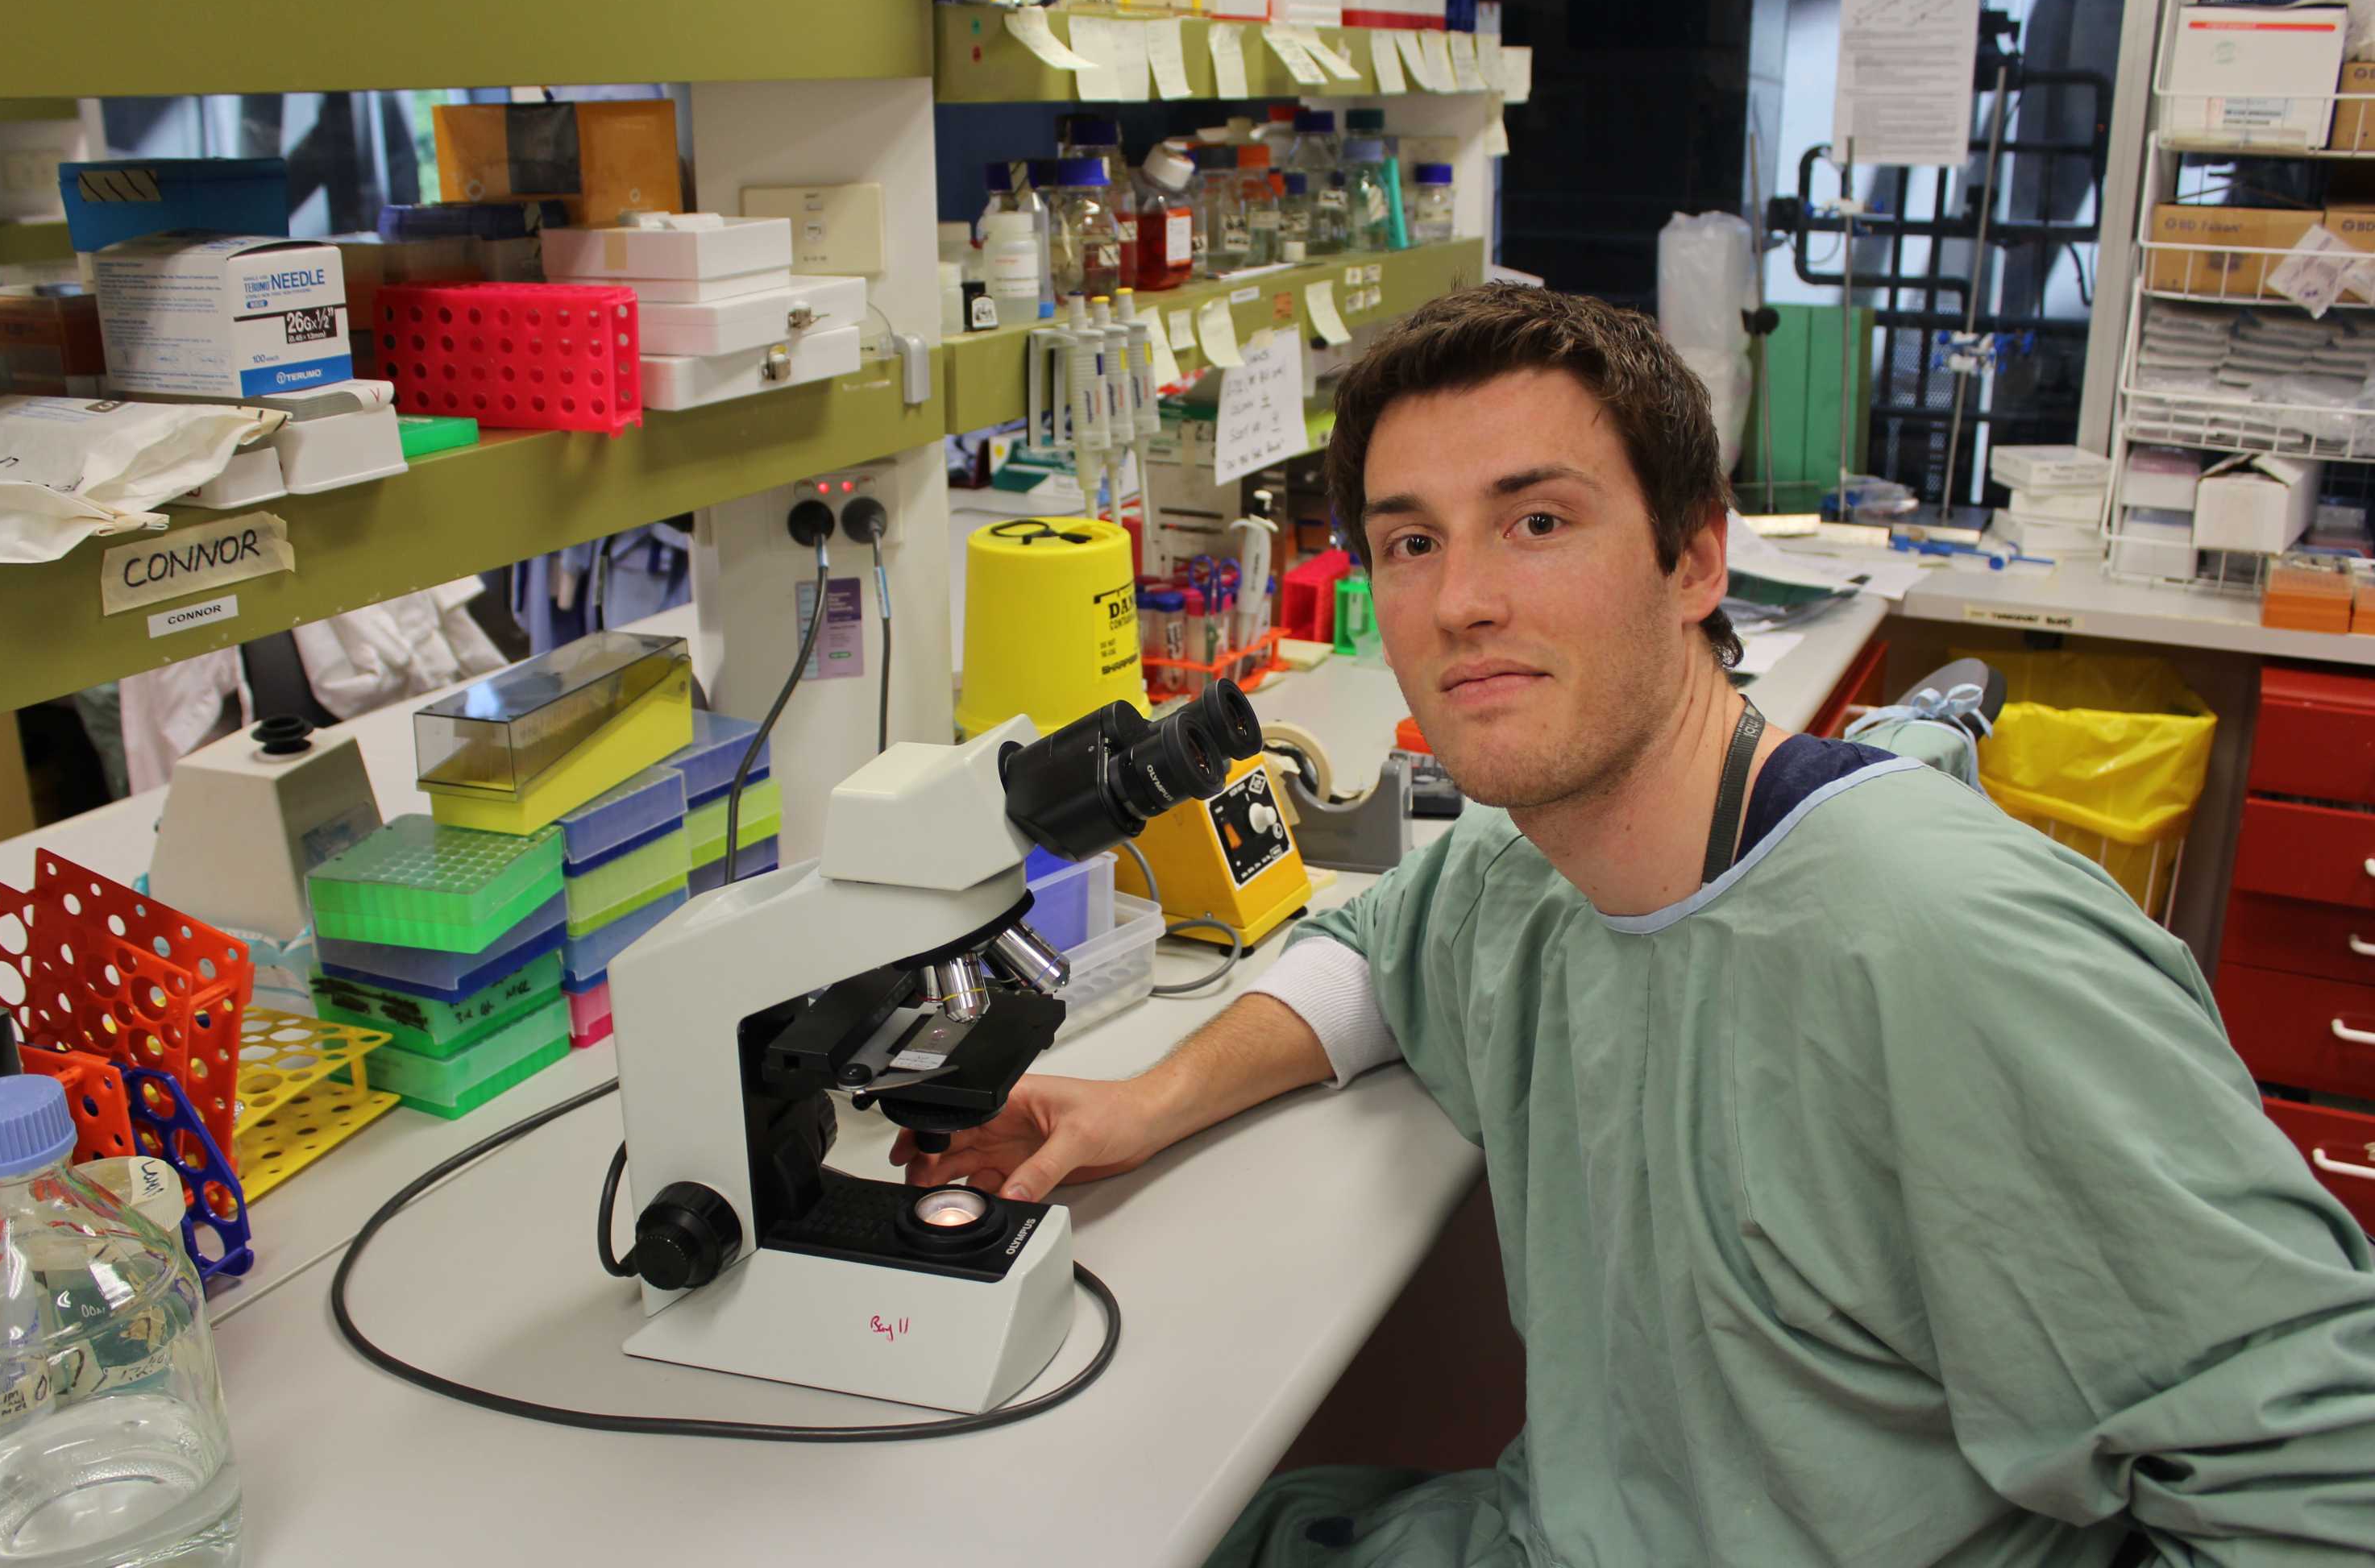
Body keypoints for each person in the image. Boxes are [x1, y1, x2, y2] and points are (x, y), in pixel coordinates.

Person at [895, 285, 2375, 1565]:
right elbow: (1375, 959)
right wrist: (1143, 1103)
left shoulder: (1954, 949)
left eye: (1537, 522)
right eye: (1409, 544)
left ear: (1693, 563)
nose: (1462, 599)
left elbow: (2318, 1490)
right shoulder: (1534, 870)